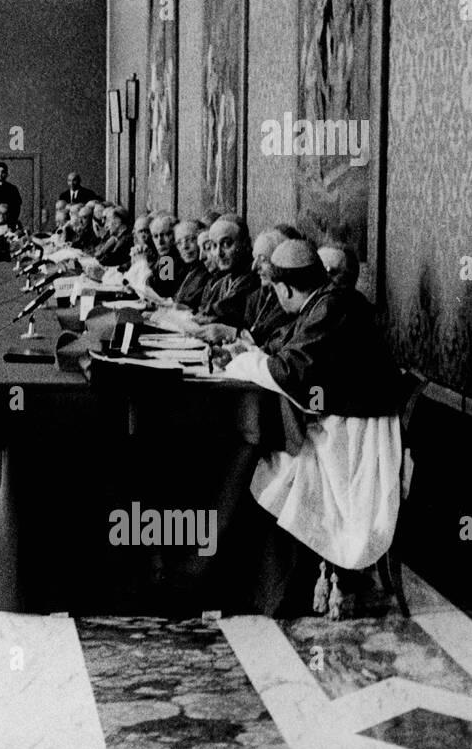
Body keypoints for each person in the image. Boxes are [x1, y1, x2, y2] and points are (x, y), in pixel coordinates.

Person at [219, 239, 403, 616]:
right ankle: (279, 582)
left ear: (285, 288)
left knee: (266, 462)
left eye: (276, 291)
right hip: (351, 415)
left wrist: (244, 364)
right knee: (272, 451)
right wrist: (257, 356)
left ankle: (283, 586)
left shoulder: (330, 306)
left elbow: (293, 372)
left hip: (356, 432)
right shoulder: (328, 301)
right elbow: (297, 360)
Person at [194, 217, 257, 327]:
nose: (219, 253)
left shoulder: (255, 278)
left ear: (246, 243)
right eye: (213, 245)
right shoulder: (224, 281)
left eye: (226, 244)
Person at [171, 219, 211, 308]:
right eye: (179, 242)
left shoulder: (207, 272)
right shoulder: (182, 268)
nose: (184, 246)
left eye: (191, 239)